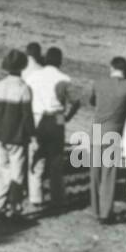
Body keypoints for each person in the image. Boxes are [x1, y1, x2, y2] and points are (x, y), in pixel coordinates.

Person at [23, 45, 80, 212]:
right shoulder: (64, 78)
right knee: (55, 161)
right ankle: (58, 198)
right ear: (60, 62)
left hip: (37, 116)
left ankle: (35, 197)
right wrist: (66, 118)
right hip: (56, 118)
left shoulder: (33, 76)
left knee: (36, 158)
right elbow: (75, 102)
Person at [88, 57, 126, 222]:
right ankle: (105, 212)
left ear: (111, 68)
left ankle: (95, 209)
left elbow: (92, 101)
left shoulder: (98, 83)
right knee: (109, 174)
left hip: (97, 130)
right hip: (114, 131)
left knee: (94, 173)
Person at [0, 49, 33, 223]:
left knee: (3, 172)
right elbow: (27, 117)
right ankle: (15, 208)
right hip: (17, 137)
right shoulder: (24, 89)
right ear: (22, 67)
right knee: (17, 174)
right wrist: (32, 135)